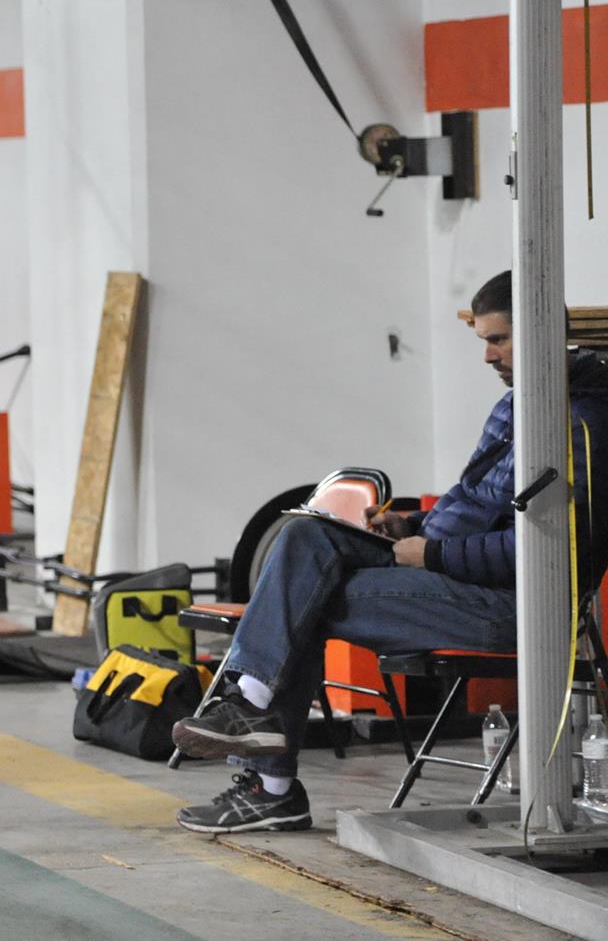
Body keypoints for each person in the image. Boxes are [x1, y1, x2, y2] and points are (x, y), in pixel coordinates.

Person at [171, 270, 608, 833]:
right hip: (448, 572)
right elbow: (474, 502)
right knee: (304, 535)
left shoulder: (582, 422)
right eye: (483, 341)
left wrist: (431, 555)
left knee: (301, 600)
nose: (487, 356)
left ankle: (269, 782)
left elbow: (548, 551)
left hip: (509, 605)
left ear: (540, 334)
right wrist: (411, 524)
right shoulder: (517, 404)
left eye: (498, 340)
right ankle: (252, 706)